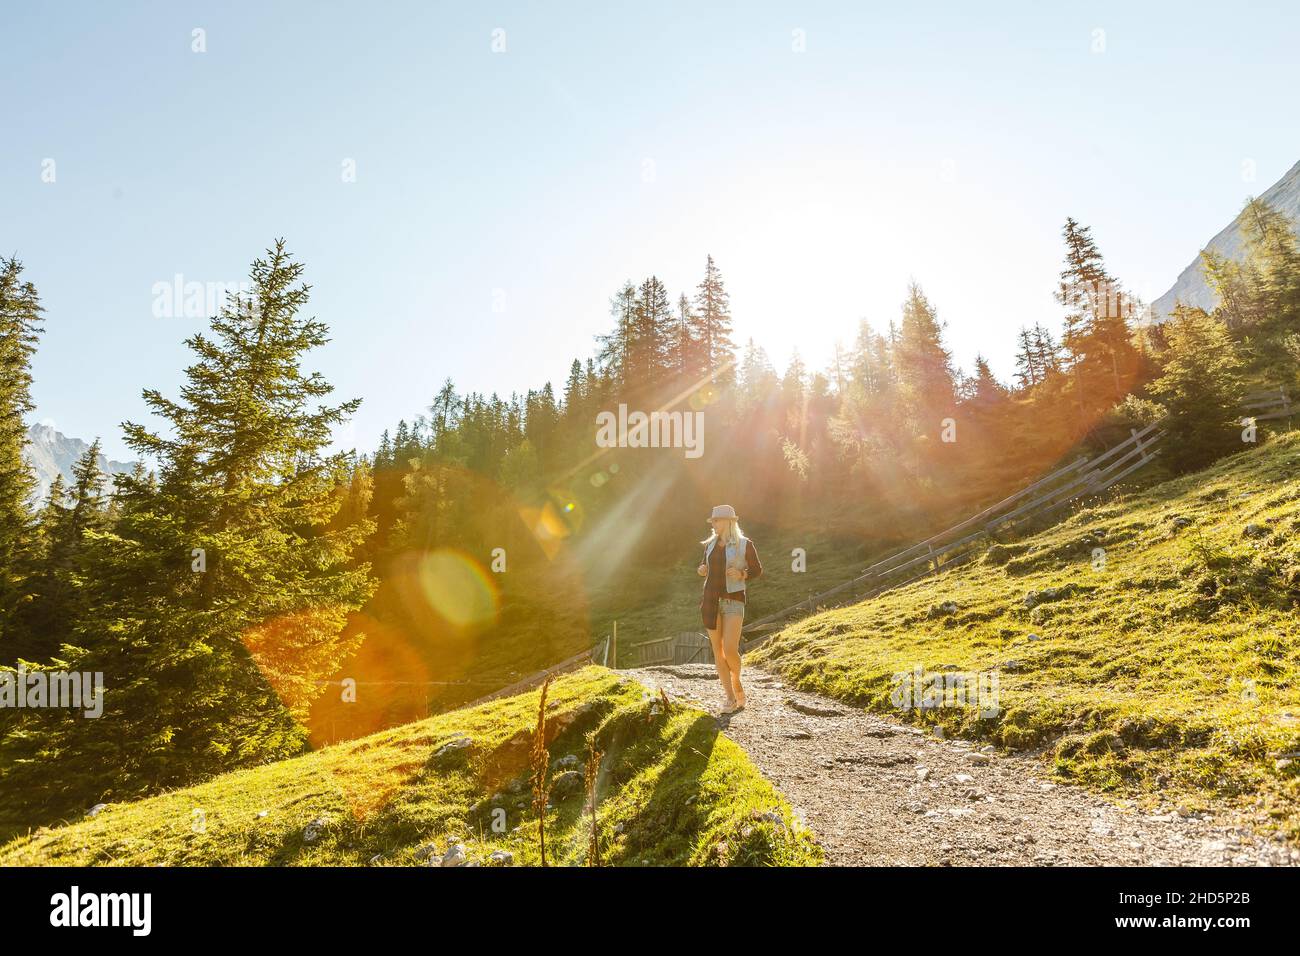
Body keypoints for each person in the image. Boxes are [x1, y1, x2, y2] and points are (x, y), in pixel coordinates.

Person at [697, 504, 762, 714]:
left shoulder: (745, 544)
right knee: (718, 651)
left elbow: (757, 569)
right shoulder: (709, 545)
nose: (713, 524)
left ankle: (737, 683)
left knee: (730, 649)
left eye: (716, 520)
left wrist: (743, 574)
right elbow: (703, 567)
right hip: (710, 601)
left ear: (728, 521)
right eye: (713, 521)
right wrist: (701, 569)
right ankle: (730, 698)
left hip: (733, 600)